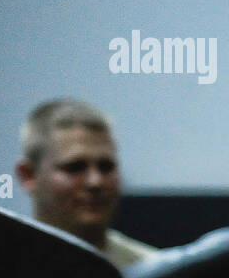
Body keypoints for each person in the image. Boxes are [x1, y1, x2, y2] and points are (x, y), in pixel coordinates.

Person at [15, 98, 158, 269]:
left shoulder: (155, 274)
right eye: (75, 167)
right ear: (28, 175)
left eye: (106, 167)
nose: (95, 182)